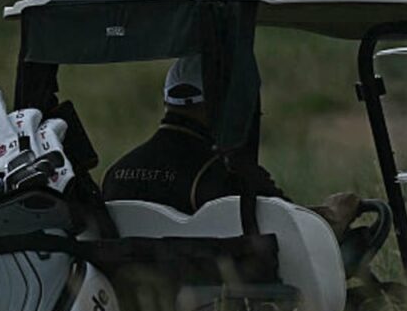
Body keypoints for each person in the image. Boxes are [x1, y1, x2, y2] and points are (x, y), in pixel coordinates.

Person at [101, 54, 288, 214]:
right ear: (222, 102)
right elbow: (294, 226)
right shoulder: (227, 176)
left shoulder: (114, 175)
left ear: (166, 101)